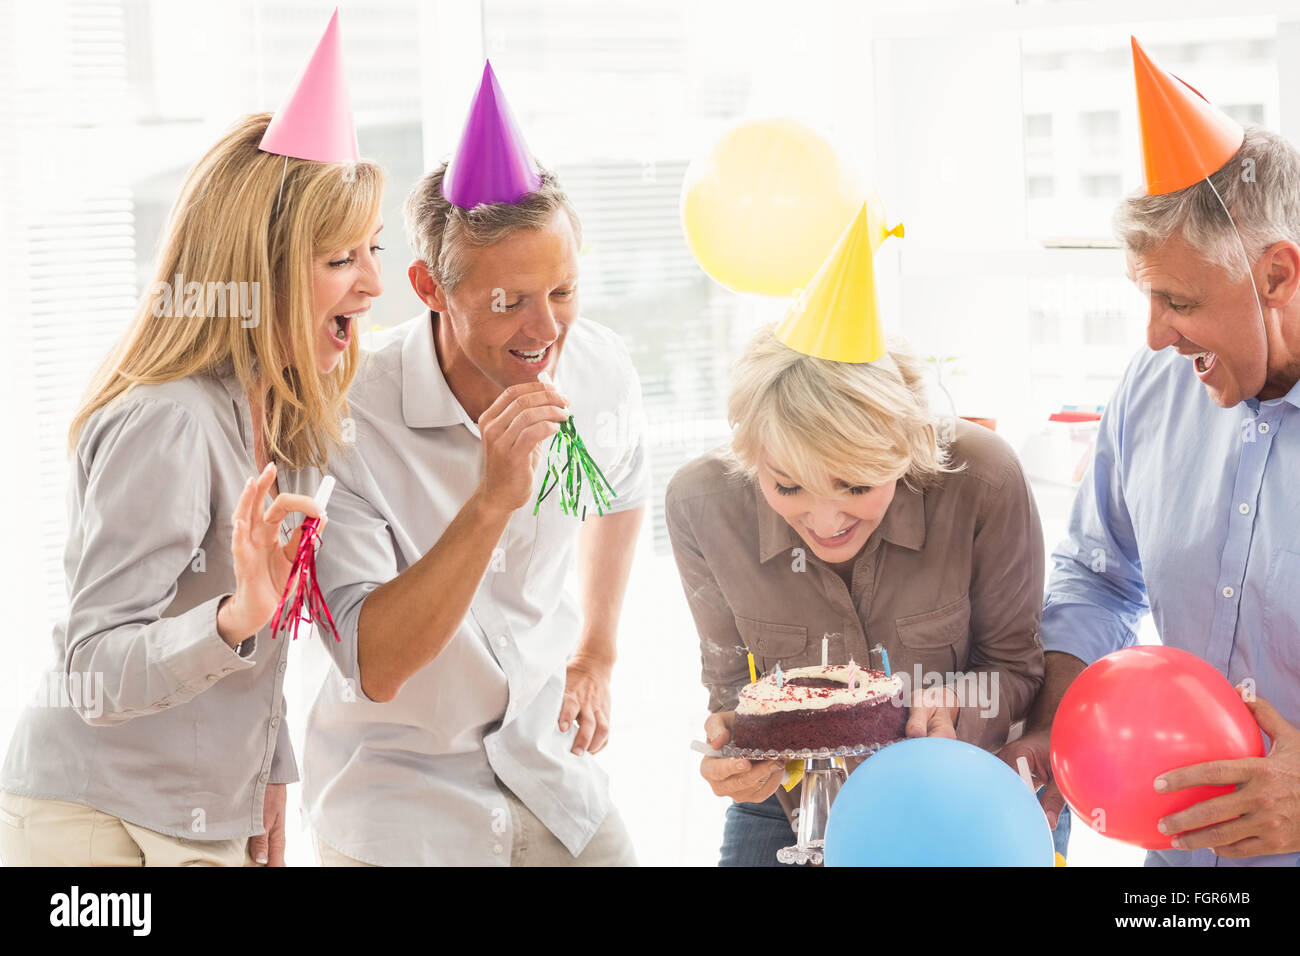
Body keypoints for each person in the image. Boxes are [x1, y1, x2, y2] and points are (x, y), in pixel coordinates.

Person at [0, 110, 385, 866]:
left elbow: (264, 634)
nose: (372, 284)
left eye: (373, 250)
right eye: (342, 259)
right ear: (256, 274)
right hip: (94, 819)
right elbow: (94, 673)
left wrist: (266, 773)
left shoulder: (289, 413)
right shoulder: (166, 422)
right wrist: (235, 615)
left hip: (197, 813)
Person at [287, 64, 649, 867]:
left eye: (562, 290)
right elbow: (373, 663)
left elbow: (624, 490)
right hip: (399, 801)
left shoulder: (597, 369)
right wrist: (490, 501)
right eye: (508, 300)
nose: (544, 326)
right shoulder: (348, 418)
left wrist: (597, 653)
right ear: (426, 287)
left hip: (552, 772)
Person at [666, 205, 1045, 866]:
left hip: (957, 794)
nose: (825, 520)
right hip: (789, 807)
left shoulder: (982, 481)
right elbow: (731, 685)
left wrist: (954, 708)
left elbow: (1016, 669)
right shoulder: (702, 506)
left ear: (906, 446)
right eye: (787, 488)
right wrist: (736, 747)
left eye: (856, 484)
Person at [999, 39, 1300, 867]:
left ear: (1277, 274)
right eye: (1147, 297)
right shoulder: (1152, 384)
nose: (1156, 334)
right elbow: (1098, 571)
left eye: (1181, 301)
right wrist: (1056, 723)